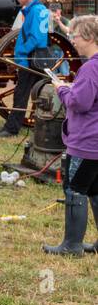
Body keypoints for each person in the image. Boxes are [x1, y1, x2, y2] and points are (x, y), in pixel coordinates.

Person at [49, 14, 98, 255]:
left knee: (75, 189)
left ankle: (72, 245)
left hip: (86, 142)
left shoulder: (90, 68)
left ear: (88, 37)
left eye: (75, 36)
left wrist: (61, 90)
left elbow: (80, 103)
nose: (73, 41)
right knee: (96, 191)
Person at [0, 0, 52, 138]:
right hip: (29, 59)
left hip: (31, 59)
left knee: (21, 94)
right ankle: (42, 126)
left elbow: (38, 38)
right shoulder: (33, 10)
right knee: (36, 94)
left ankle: (11, 129)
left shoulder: (38, 11)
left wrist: (21, 51)